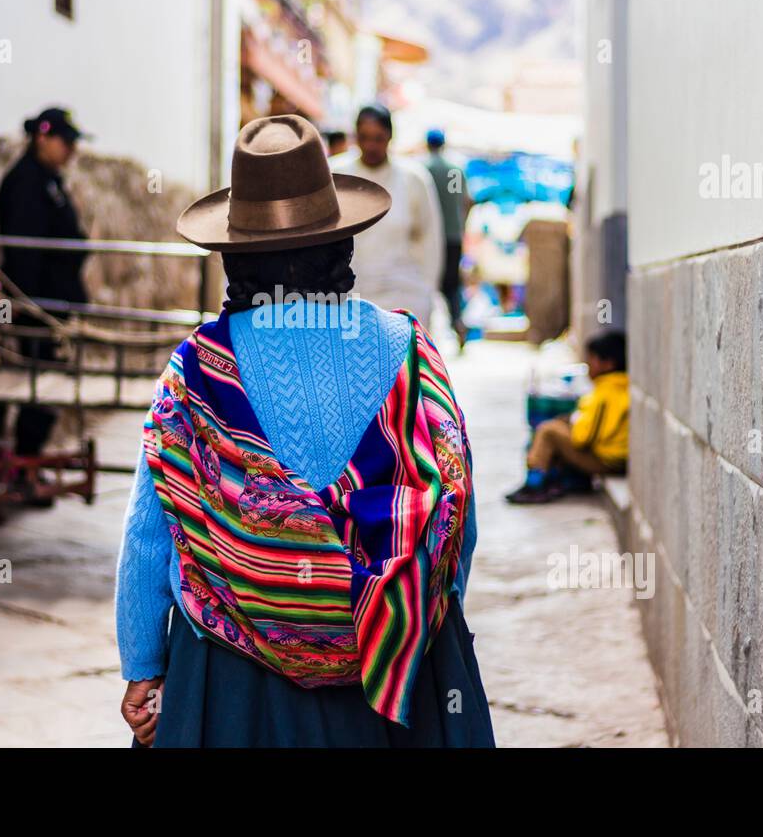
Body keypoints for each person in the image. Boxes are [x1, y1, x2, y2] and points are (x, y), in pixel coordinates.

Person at [115, 115, 492, 747]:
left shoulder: (199, 369)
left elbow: (150, 531)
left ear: (236, 256)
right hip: (391, 677)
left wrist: (142, 666)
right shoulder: (409, 351)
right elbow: (457, 511)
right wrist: (423, 623)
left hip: (236, 684)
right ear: (339, 241)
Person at [0, 107, 88, 505]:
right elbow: (25, 255)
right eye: (65, 141)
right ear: (43, 138)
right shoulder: (25, 184)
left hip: (53, 303)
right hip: (39, 306)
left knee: (46, 387)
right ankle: (23, 469)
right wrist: (33, 307)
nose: (70, 150)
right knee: (38, 386)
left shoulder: (48, 180)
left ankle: (26, 466)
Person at [329, 105, 444, 328]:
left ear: (390, 136)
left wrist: (427, 291)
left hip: (404, 297)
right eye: (364, 137)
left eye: (378, 138)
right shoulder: (335, 174)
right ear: (355, 136)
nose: (371, 145)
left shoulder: (414, 178)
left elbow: (430, 240)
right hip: (348, 299)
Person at [506, 331, 629, 505]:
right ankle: (559, 480)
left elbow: (582, 438)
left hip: (607, 462)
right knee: (561, 423)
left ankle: (534, 484)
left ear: (607, 364)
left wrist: (574, 422)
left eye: (592, 360)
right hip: (616, 458)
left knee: (548, 430)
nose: (588, 365)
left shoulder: (603, 394)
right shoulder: (622, 386)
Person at [425, 128, 472, 347]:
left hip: (429, 237)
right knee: (452, 284)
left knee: (428, 282)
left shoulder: (424, 169)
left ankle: (425, 331)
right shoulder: (454, 169)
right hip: (453, 235)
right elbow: (465, 200)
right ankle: (458, 323)